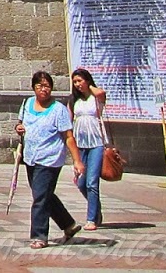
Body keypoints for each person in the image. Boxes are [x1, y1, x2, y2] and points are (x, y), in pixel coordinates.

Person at [15, 70, 85, 249]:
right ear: (33, 88)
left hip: (50, 159)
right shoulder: (27, 103)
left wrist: (77, 161)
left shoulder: (58, 110)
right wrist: (19, 127)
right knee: (44, 194)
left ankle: (39, 235)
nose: (43, 89)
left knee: (39, 196)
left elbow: (68, 137)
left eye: (47, 86)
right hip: (31, 157)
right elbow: (20, 123)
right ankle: (68, 224)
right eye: (39, 86)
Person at [70, 68, 109, 230]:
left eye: (80, 80)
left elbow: (101, 93)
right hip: (81, 145)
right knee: (81, 183)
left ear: (87, 80)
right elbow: (69, 123)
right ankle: (97, 209)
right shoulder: (74, 101)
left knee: (92, 182)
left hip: (97, 143)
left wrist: (90, 86)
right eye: (75, 82)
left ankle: (91, 218)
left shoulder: (96, 98)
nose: (77, 84)